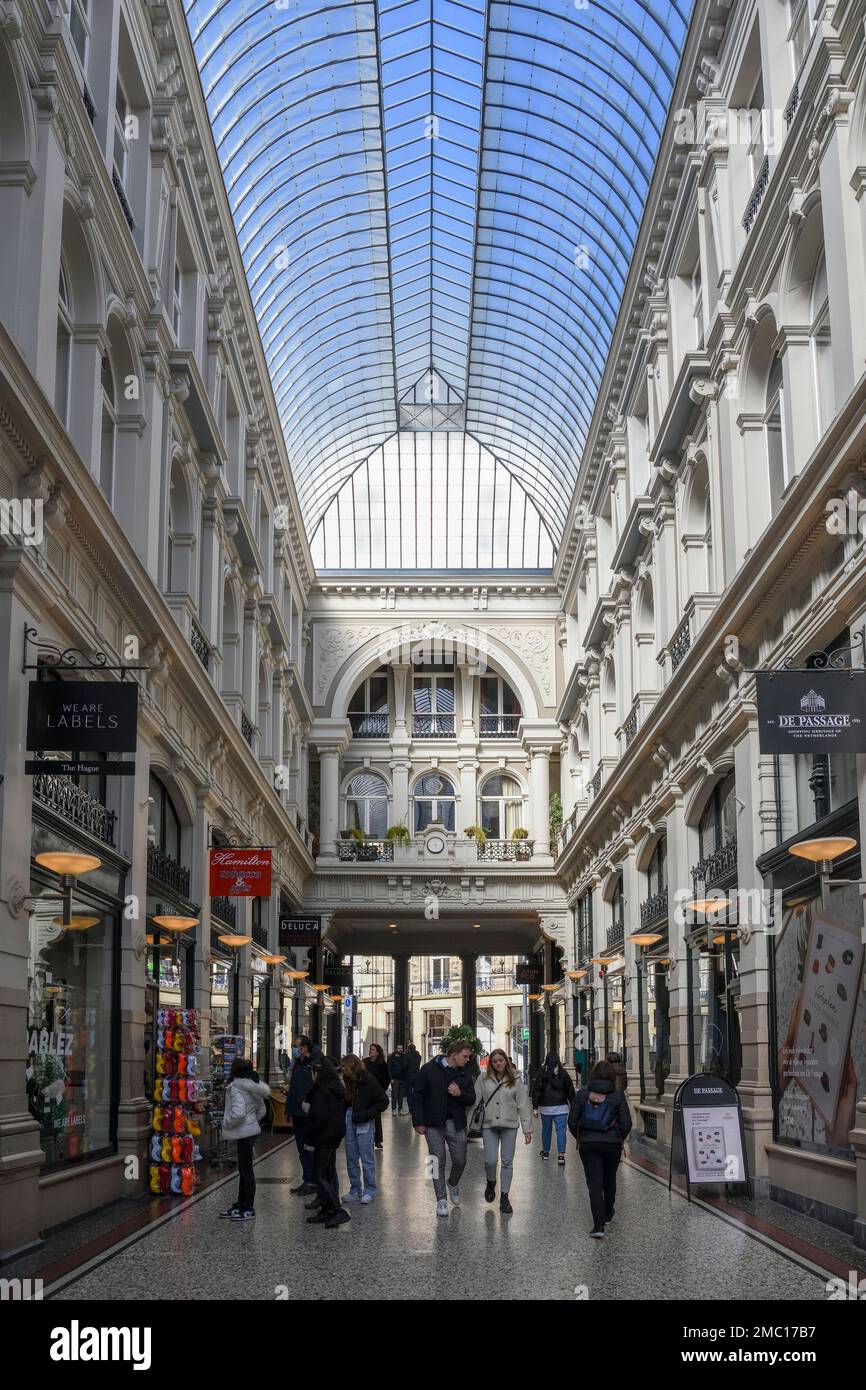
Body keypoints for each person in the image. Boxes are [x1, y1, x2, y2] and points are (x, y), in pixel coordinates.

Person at [568, 1059, 632, 1238]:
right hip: (611, 1145)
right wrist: (618, 1138)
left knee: (594, 1183)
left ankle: (598, 1226)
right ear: (612, 1076)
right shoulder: (617, 1095)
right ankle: (608, 1212)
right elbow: (626, 1122)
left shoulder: (583, 1094)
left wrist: (581, 1137)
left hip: (588, 1144)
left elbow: (572, 1121)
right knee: (609, 1179)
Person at [411, 1040, 476, 1216]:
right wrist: (418, 1121)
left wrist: (460, 1094)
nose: (468, 1060)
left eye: (469, 1057)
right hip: (433, 1123)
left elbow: (472, 1098)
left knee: (460, 1159)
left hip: (455, 1123)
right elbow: (416, 1095)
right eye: (465, 1056)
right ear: (454, 1055)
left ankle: (453, 1183)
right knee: (435, 1160)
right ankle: (441, 1199)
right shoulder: (428, 1069)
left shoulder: (465, 1073)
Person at [472, 1048, 533, 1214]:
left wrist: (527, 1129)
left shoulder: (516, 1079)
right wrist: (466, 1125)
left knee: (507, 1162)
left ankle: (505, 1196)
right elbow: (475, 1101)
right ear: (491, 1063)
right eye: (495, 1061)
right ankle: (491, 1182)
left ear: (506, 1061)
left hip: (509, 1124)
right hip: (488, 1124)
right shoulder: (483, 1078)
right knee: (490, 1160)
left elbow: (523, 1104)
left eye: (501, 1060)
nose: (498, 1063)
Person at [219, 1058, 271, 1221]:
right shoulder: (253, 1087)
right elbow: (262, 1110)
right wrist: (252, 1121)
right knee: (244, 1170)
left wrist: (226, 1123)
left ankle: (248, 1207)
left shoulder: (235, 1088)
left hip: (243, 1132)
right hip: (250, 1131)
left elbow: (238, 1112)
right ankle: (241, 1205)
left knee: (246, 1171)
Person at [303, 1058, 350, 1229]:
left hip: (324, 1135)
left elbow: (318, 1117)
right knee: (327, 1173)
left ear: (318, 1074)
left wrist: (309, 1132)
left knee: (319, 1175)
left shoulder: (320, 1091)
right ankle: (327, 1210)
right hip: (334, 1134)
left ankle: (338, 1211)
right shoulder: (335, 1088)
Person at [339, 1054, 388, 1203]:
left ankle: (369, 1190)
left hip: (364, 1122)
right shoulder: (346, 1080)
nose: (343, 1070)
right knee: (351, 1157)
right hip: (350, 1119)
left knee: (367, 1158)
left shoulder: (369, 1081)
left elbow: (383, 1101)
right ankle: (355, 1190)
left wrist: (367, 1115)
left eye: (345, 1067)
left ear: (352, 1067)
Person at [285, 1035, 319, 1195]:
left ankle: (312, 1181)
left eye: (295, 1046)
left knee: (308, 1148)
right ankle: (307, 1179)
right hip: (297, 1113)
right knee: (301, 1148)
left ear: (304, 1048)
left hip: (307, 1114)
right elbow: (294, 1089)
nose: (294, 1049)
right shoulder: (298, 1064)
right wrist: (288, 1110)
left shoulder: (314, 1065)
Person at [531, 1051, 576, 1164]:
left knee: (546, 1130)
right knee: (561, 1131)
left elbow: (536, 1091)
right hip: (561, 1107)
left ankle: (546, 1152)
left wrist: (535, 1108)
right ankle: (561, 1156)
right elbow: (570, 1090)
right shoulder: (563, 1073)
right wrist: (573, 1104)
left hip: (546, 1108)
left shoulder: (541, 1072)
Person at [365, 1043, 390, 1148]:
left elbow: (386, 1079)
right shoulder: (364, 1062)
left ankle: (377, 1140)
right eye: (370, 1049)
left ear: (377, 1052)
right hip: (365, 1094)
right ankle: (367, 1138)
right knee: (366, 1116)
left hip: (376, 1094)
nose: (371, 1051)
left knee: (376, 1117)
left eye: (373, 1050)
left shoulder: (382, 1065)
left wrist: (381, 1090)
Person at [387, 1043, 408, 1115]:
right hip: (395, 1079)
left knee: (400, 1096)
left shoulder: (404, 1057)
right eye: (399, 1048)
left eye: (401, 1048)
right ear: (396, 1049)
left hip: (403, 1079)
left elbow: (406, 1066)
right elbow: (389, 1068)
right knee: (394, 1095)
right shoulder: (391, 1057)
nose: (400, 1049)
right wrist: (391, 1078)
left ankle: (400, 1109)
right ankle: (394, 1109)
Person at [405, 1043, 421, 1113]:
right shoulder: (419, 1056)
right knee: (416, 1092)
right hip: (417, 1076)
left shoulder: (407, 1056)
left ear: (409, 1049)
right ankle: (416, 1107)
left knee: (409, 1093)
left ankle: (410, 1108)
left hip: (409, 1076)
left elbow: (405, 1066)